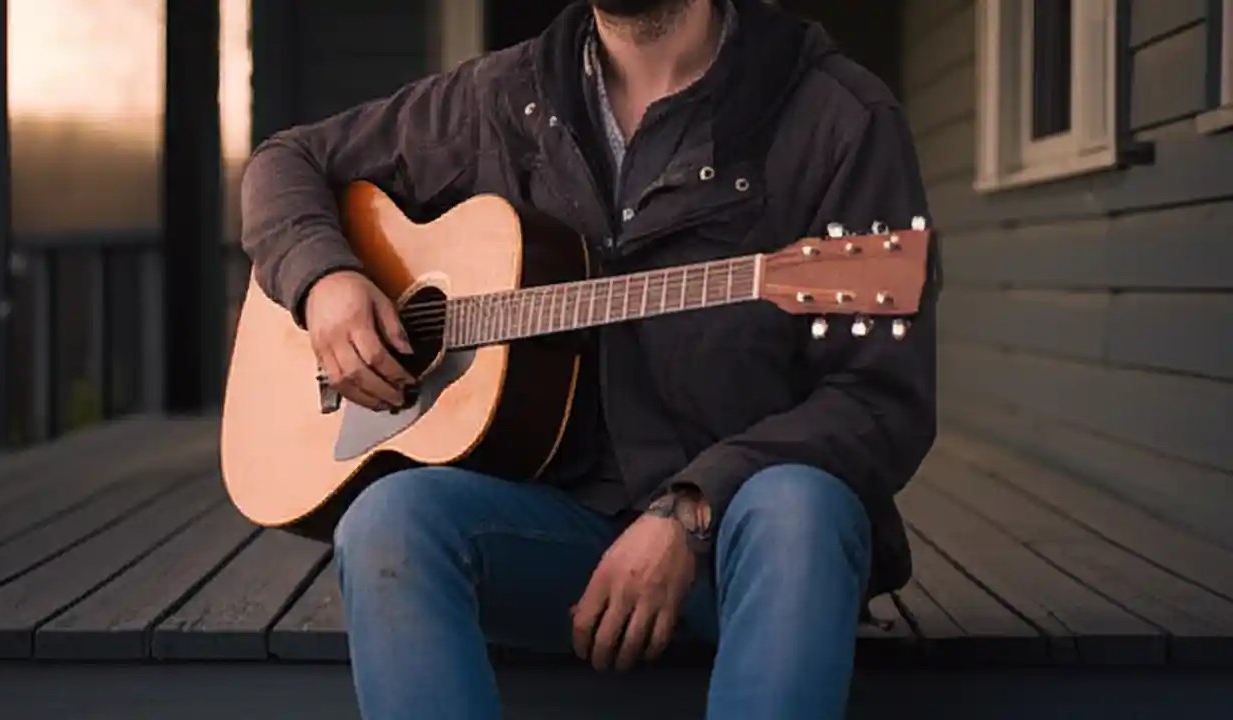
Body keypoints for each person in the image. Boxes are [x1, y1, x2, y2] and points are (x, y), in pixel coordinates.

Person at [240, 0, 938, 717]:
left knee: (800, 504)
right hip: (557, 540)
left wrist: (691, 508)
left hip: (754, 554)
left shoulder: (838, 116)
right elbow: (285, 162)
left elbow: (880, 399)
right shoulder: (504, 97)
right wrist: (324, 278)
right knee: (388, 520)